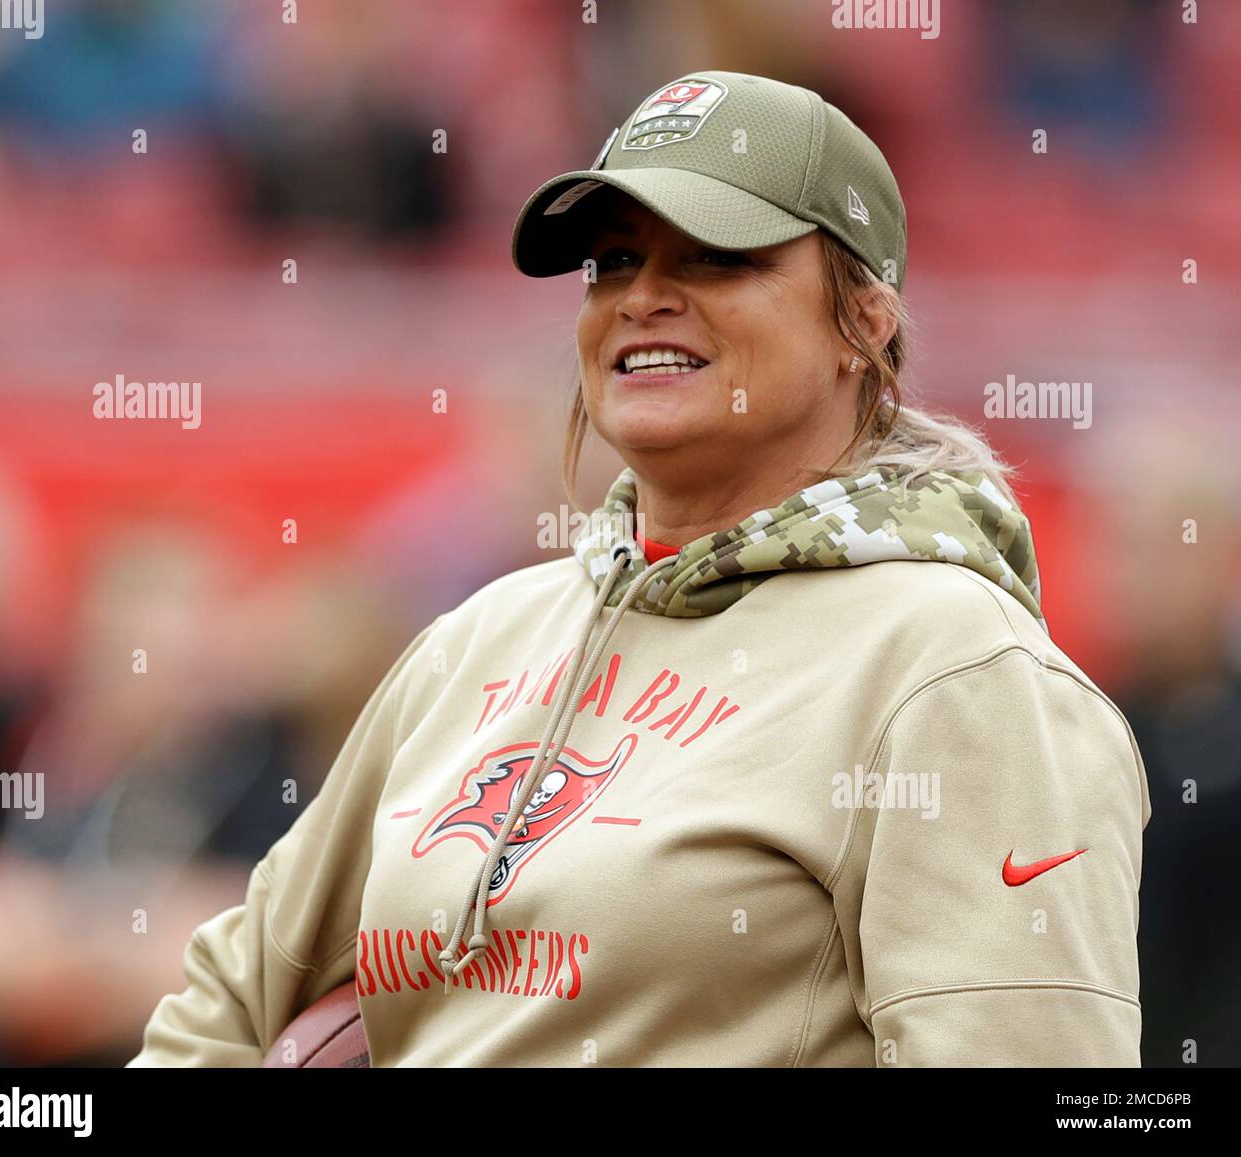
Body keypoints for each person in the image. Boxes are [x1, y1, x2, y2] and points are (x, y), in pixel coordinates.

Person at [128, 71, 1150, 1068]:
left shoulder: (957, 672)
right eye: (613, 261)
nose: (643, 298)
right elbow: (230, 994)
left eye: (714, 258)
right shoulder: (478, 639)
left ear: (863, 323)